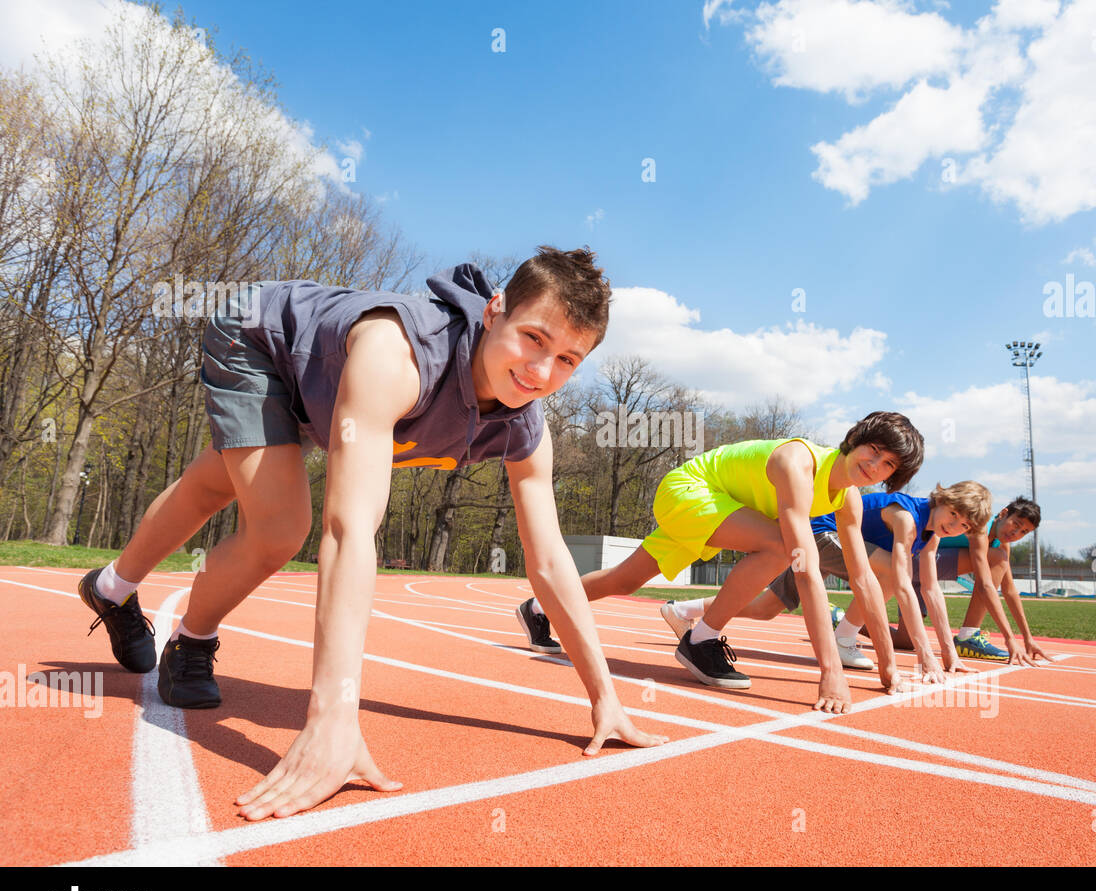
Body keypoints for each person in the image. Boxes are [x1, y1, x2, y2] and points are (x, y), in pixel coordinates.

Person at [79, 246, 667, 822]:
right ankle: (192, 640)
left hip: (322, 387)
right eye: (534, 338)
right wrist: (333, 716)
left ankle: (110, 588)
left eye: (568, 360)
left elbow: (549, 560)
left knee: (217, 483)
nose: (541, 371)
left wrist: (604, 696)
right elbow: (349, 529)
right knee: (282, 527)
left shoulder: (525, 425)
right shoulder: (398, 355)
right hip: (258, 338)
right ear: (493, 311)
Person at [516, 411, 926, 711]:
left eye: (888, 464)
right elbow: (805, 572)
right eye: (873, 450)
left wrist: (889, 667)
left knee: (625, 580)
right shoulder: (799, 463)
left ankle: (537, 608)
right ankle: (701, 639)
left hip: (722, 509)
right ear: (854, 440)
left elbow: (865, 580)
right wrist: (830, 670)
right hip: (690, 491)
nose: (874, 465)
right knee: (784, 548)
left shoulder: (849, 499)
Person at [680, 482, 996, 692]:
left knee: (766, 609)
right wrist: (925, 656)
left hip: (838, 544)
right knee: (889, 572)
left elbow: (931, 590)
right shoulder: (907, 519)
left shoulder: (932, 536)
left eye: (964, 526)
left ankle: (683, 610)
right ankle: (844, 639)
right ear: (942, 499)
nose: (954, 525)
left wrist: (949, 654)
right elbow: (902, 584)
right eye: (953, 514)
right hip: (819, 533)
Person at [893, 496, 1055, 664]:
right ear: (1003, 513)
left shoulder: (1002, 543)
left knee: (905, 641)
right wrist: (1009, 639)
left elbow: (1009, 590)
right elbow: (985, 585)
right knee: (998, 558)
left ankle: (864, 625)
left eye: (1024, 532)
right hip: (914, 562)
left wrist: (1027, 637)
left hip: (923, 573)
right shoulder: (981, 527)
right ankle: (968, 636)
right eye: (1016, 524)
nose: (1016, 533)